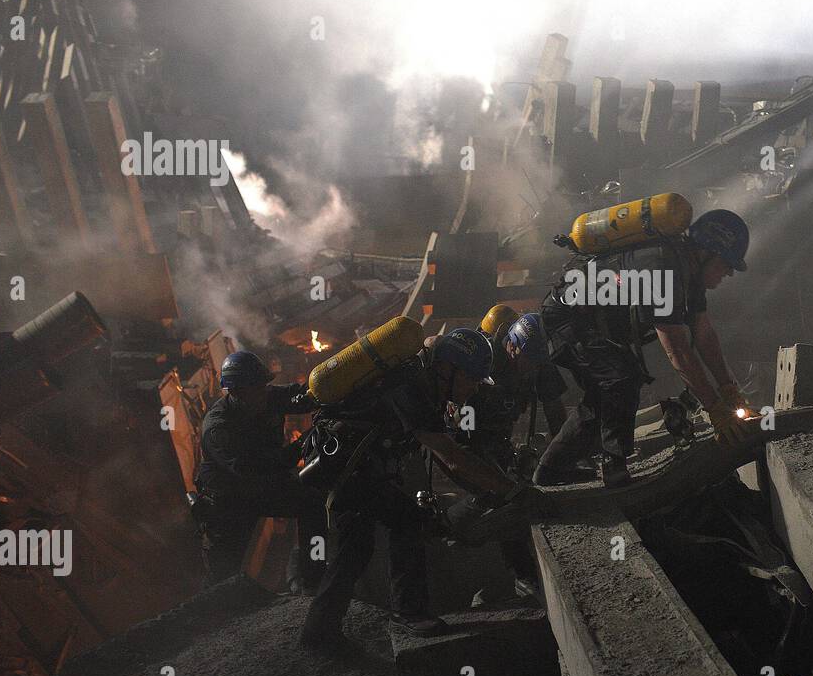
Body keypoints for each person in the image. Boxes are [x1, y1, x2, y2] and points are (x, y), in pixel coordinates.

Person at [298, 328, 533, 647]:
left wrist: (490, 490)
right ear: (447, 369)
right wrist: (512, 490)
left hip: (365, 465)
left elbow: (450, 459)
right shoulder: (409, 388)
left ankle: (324, 630)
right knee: (390, 530)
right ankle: (400, 616)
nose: (475, 387)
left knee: (370, 541)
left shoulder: (424, 383)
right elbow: (450, 457)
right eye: (471, 378)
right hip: (347, 466)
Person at [535, 209, 756, 489]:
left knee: (603, 393)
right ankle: (613, 467)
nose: (729, 273)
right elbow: (676, 349)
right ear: (706, 252)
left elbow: (704, 334)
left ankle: (550, 470)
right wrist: (715, 408)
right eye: (727, 264)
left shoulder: (688, 271)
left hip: (590, 320)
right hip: (567, 317)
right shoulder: (661, 267)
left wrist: (728, 388)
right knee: (621, 378)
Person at [193, 350, 326, 592]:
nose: (263, 391)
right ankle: (210, 615)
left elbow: (303, 395)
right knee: (223, 574)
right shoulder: (219, 428)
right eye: (255, 387)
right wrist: (300, 446)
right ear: (236, 392)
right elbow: (252, 467)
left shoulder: (267, 396)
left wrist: (334, 385)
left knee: (313, 503)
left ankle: (313, 575)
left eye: (263, 385)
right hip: (229, 504)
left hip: (259, 488)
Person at [466, 310, 567, 604]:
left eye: (538, 363)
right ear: (511, 347)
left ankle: (515, 575)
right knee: (501, 498)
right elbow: (464, 430)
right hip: (468, 439)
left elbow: (555, 409)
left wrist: (560, 458)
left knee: (514, 490)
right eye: (528, 362)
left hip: (499, 437)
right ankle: (517, 577)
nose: (532, 369)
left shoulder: (538, 361)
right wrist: (497, 478)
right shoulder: (481, 364)